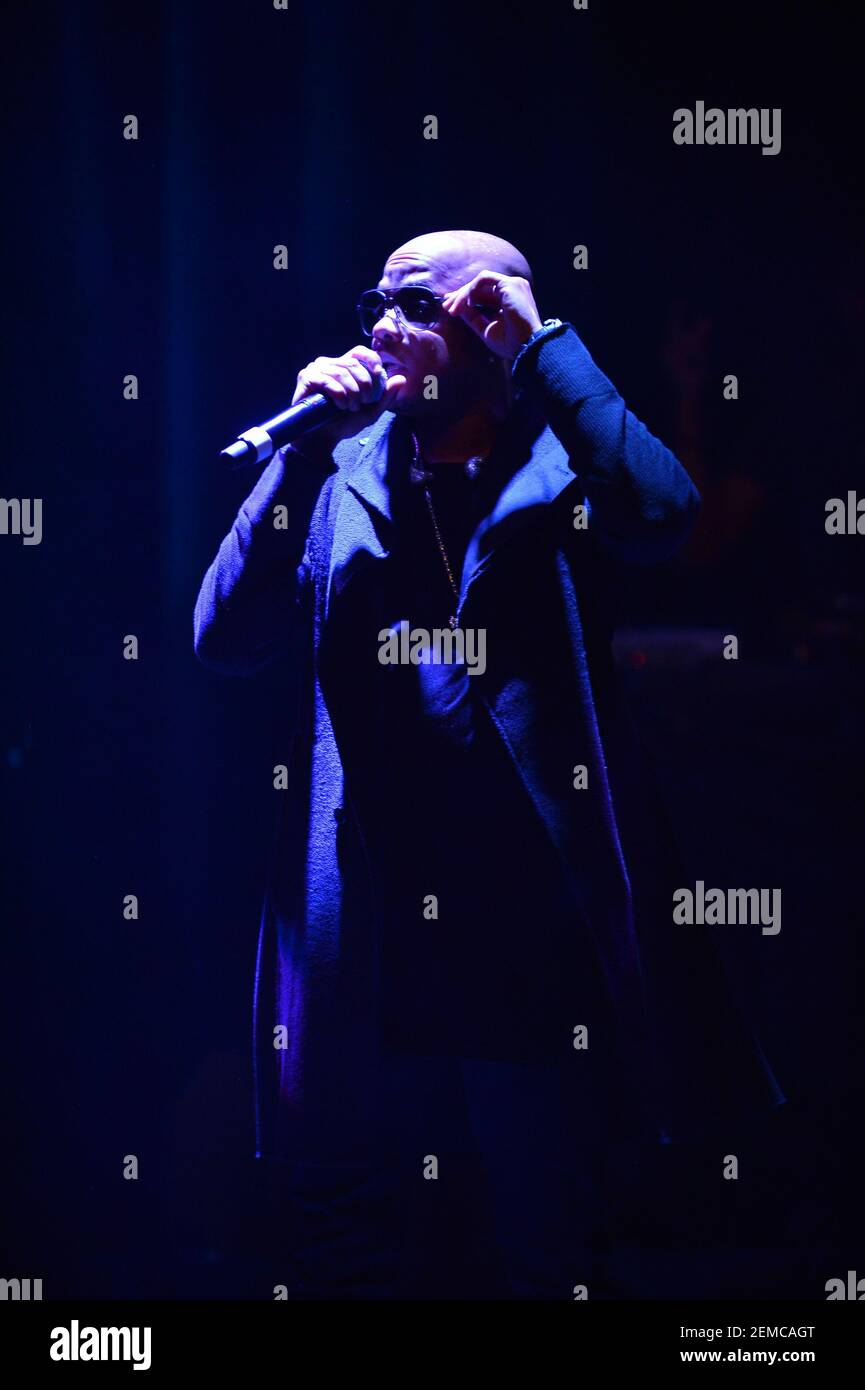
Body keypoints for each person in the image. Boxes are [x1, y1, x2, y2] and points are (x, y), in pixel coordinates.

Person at [194, 229, 783, 1299]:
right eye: (377, 303)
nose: (382, 328)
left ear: (489, 326)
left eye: (420, 306)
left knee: (539, 1231)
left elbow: (665, 517)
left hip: (521, 922)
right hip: (366, 922)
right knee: (351, 1232)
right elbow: (222, 637)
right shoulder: (338, 472)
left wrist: (546, 348)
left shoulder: (564, 467)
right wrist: (293, 450)